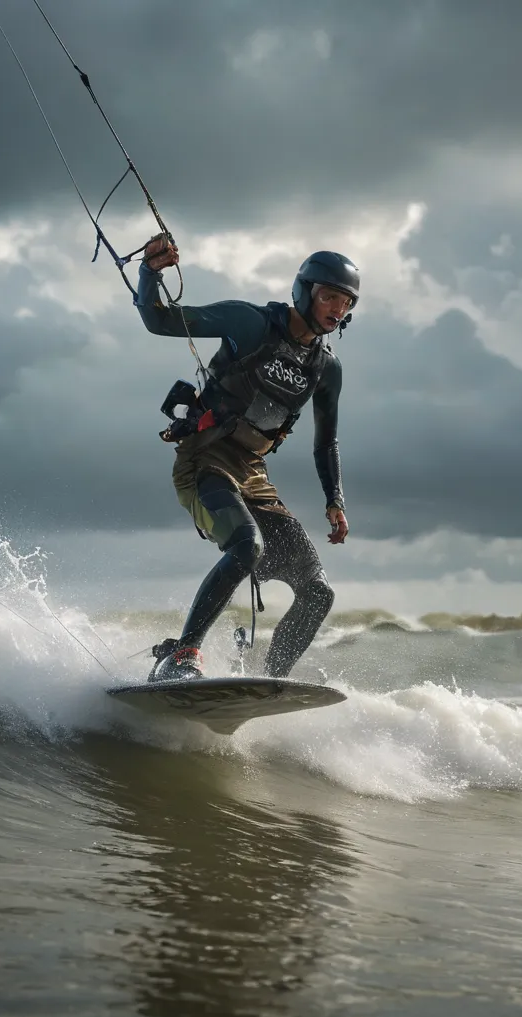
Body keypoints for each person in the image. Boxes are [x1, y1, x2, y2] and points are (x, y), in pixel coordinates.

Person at [135, 234, 359, 681]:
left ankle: (271, 681)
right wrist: (150, 271)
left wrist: (335, 499)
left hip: (253, 476)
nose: (337, 309)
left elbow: (325, 442)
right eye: (328, 296)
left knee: (318, 593)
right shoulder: (249, 322)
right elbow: (160, 322)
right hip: (205, 461)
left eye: (346, 302)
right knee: (246, 547)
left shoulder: (325, 368)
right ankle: (182, 656)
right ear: (305, 291)